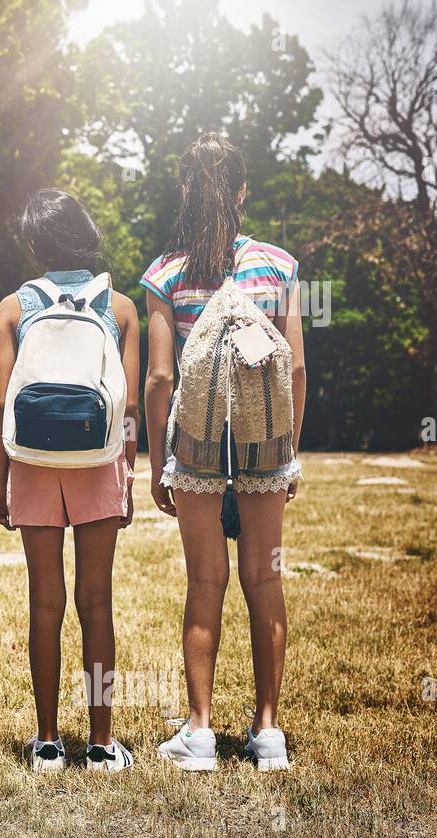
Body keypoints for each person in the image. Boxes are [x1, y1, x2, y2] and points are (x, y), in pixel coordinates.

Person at [142, 132, 306, 772]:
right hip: (264, 440)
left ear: (185, 190)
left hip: (201, 444)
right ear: (242, 190)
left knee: (204, 580)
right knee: (263, 577)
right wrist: (286, 450)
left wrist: (162, 463)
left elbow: (160, 379)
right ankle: (268, 734)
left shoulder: (167, 274)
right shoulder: (277, 266)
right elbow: (291, 365)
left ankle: (201, 732)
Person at [0, 189, 141, 773]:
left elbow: (5, 398)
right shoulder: (120, 307)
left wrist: (1, 482)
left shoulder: (12, 307)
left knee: (44, 601)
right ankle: (102, 743)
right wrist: (123, 475)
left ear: (35, 246)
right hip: (98, 460)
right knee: (96, 601)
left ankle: (48, 742)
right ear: (86, 232)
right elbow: (125, 406)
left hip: (30, 461)